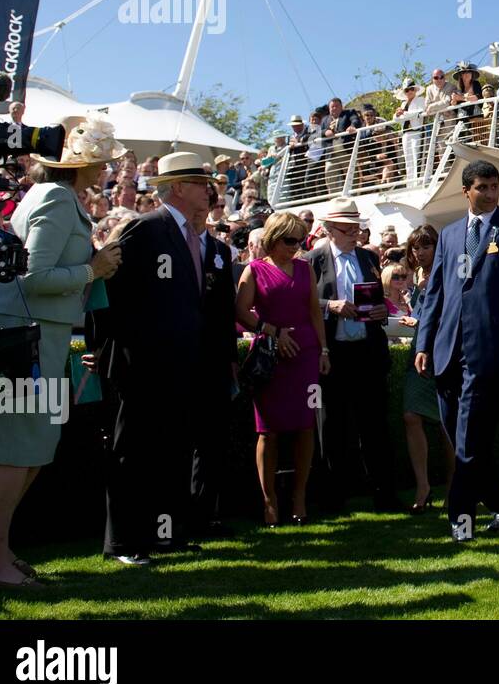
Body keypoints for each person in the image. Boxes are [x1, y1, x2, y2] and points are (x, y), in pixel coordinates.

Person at [0, 116, 126, 588]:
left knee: (31, 451)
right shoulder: (56, 199)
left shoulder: (56, 198)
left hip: (36, 338)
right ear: (86, 164)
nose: (106, 171)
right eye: (102, 162)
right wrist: (92, 269)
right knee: (18, 452)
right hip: (24, 339)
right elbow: (31, 278)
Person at [102, 151, 235, 566]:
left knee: (171, 452)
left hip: (183, 366)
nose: (207, 189)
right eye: (199, 183)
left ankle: (164, 534)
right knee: (135, 453)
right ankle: (123, 542)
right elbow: (112, 297)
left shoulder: (192, 237)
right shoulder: (144, 229)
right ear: (177, 187)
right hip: (145, 366)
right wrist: (118, 355)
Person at [413, 160, 499, 542]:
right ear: (466, 191)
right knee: (461, 437)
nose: (489, 193)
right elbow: (435, 292)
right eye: (482, 187)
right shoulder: (450, 235)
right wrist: (423, 343)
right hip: (447, 349)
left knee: (467, 442)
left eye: (494, 187)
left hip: (490, 352)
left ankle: (461, 521)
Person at [235, 212, 329, 525]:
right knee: (268, 431)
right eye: (289, 240)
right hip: (269, 356)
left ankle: (299, 498)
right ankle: (269, 500)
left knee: (306, 426)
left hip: (305, 354)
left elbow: (315, 311)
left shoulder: (305, 269)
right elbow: (241, 312)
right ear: (273, 239)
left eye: (299, 240)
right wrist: (273, 331)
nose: (295, 246)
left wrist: (323, 350)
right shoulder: (254, 270)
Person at [308, 197, 398, 512]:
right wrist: (328, 306)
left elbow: (381, 302)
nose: (353, 234)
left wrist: (379, 311)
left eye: (355, 229)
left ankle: (384, 494)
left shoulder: (367, 258)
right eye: (346, 229)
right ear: (329, 229)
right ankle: (333, 497)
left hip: (367, 352)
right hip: (333, 355)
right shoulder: (313, 260)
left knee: (375, 426)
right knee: (333, 427)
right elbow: (302, 304)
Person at [188, 183, 241, 536]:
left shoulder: (221, 251)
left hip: (216, 360)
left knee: (213, 440)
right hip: (181, 356)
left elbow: (226, 312)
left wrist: (232, 359)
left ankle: (207, 513)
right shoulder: (172, 247)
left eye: (208, 203)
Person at [397, 224, 455, 512]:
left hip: (445, 356)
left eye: (425, 246)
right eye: (415, 248)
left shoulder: (449, 273)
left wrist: (419, 323)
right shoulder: (418, 277)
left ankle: (454, 487)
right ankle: (423, 485)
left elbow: (452, 316)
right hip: (418, 357)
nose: (419, 253)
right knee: (410, 416)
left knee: (448, 425)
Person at [394, 78, 427, 184]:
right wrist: (398, 114)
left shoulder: (421, 100)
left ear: (415, 90)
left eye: (411, 89)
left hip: (416, 132)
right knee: (408, 160)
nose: (409, 92)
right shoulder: (403, 104)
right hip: (405, 134)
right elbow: (396, 119)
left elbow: (419, 112)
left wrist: (404, 114)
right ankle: (410, 184)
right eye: (407, 90)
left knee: (416, 157)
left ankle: (418, 182)